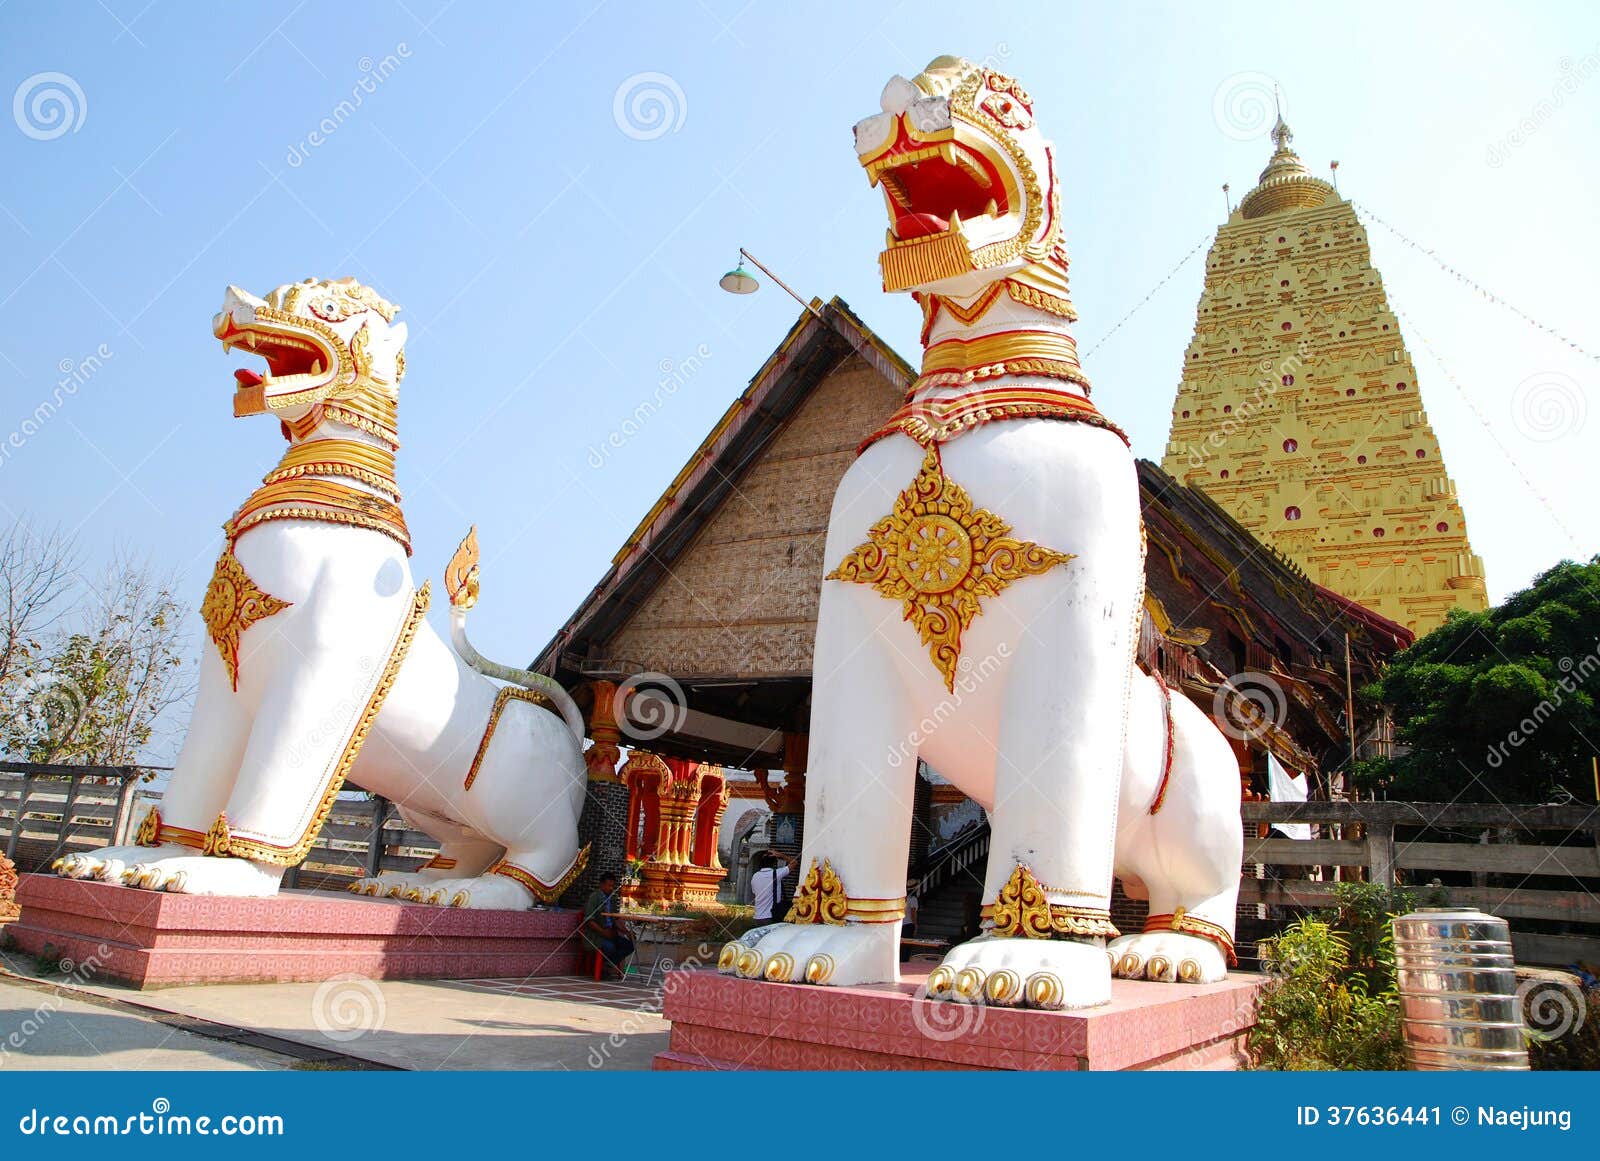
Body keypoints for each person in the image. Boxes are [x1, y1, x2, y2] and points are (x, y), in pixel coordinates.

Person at [582, 871, 634, 978]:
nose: (611, 888)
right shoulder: (594, 897)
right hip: (596, 934)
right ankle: (604, 967)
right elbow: (589, 920)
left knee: (628, 946)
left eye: (612, 886)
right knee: (610, 947)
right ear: (601, 884)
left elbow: (615, 918)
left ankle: (608, 965)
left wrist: (626, 931)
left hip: (611, 933)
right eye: (608, 885)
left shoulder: (613, 899)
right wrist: (604, 932)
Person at [751, 850, 797, 924]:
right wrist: (781, 855)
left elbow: (754, 892)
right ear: (774, 864)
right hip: (771, 916)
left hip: (758, 917)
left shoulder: (755, 876)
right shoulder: (776, 874)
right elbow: (794, 863)